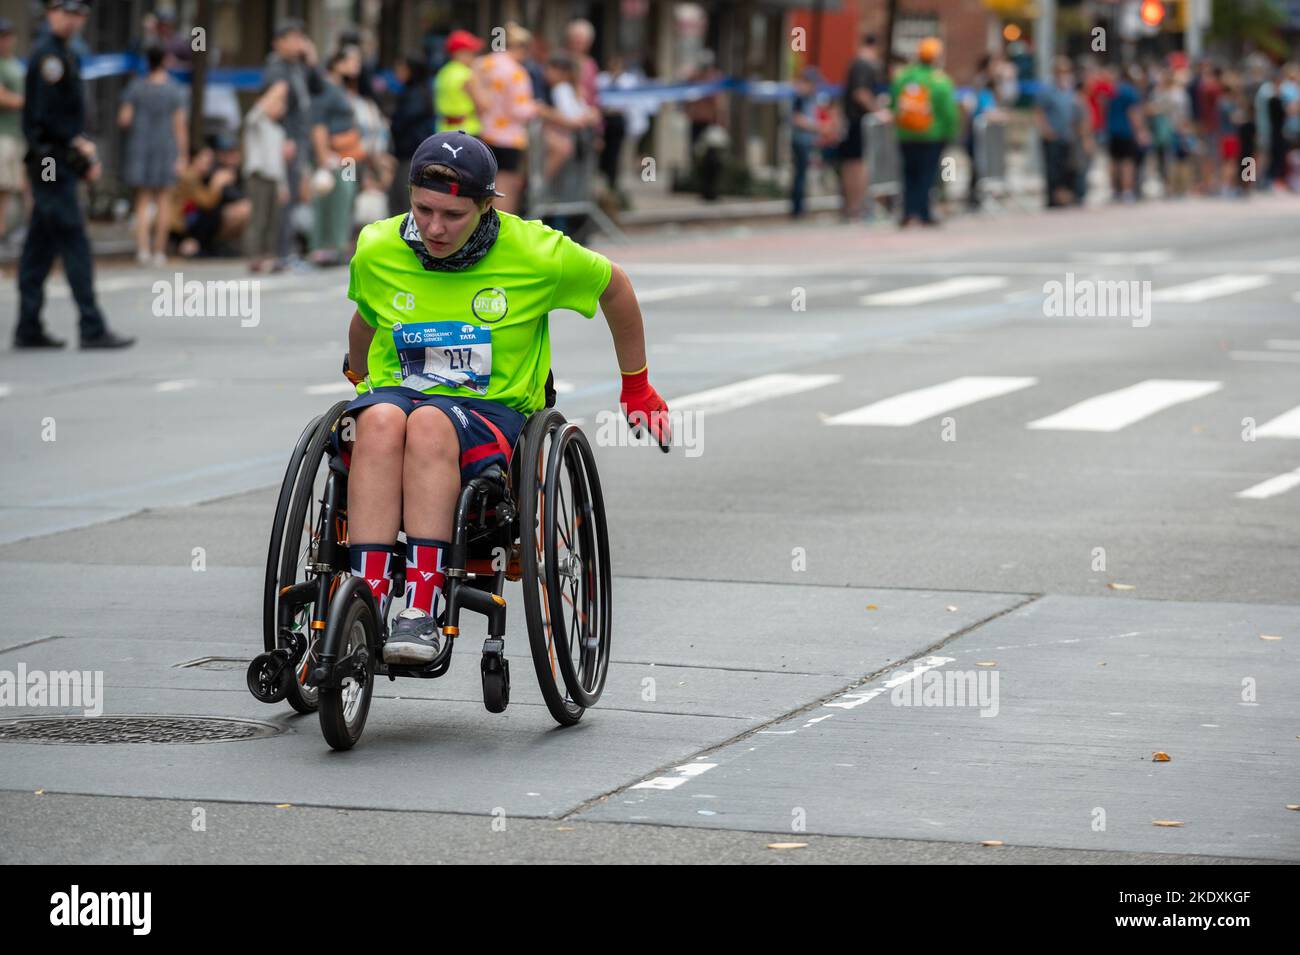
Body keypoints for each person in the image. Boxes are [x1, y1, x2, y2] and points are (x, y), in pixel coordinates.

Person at [331, 131, 670, 662]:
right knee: (376, 421)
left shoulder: (536, 253)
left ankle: (420, 607)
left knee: (429, 425)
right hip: (399, 395)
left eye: (453, 215)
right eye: (423, 210)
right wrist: (358, 379)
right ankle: (366, 599)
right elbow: (367, 318)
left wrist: (637, 385)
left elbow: (615, 288)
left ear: (487, 204)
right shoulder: (378, 247)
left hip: (487, 413)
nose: (435, 227)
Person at [15, 0, 133, 350]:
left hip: (55, 157)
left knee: (40, 244)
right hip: (51, 161)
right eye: (65, 12)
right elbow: (47, 123)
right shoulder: (49, 56)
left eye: (78, 14)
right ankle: (91, 325)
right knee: (74, 240)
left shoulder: (65, 52)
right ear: (51, 13)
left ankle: (28, 324)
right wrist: (76, 152)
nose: (72, 20)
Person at [118, 44, 187, 265]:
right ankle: (159, 251)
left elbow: (124, 119)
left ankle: (142, 249)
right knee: (164, 200)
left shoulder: (136, 87)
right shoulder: (174, 89)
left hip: (141, 146)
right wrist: (182, 154)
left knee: (142, 200)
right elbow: (180, 125)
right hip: (166, 147)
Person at [263, 18, 321, 263]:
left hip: (301, 138)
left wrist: (313, 60)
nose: (298, 43)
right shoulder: (276, 67)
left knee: (298, 194)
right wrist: (284, 139)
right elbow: (276, 109)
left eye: (300, 38)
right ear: (278, 43)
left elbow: (318, 88)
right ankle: (281, 252)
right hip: (287, 141)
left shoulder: (298, 66)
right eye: (292, 38)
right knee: (285, 196)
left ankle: (290, 250)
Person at [889, 37, 957, 227]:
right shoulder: (940, 81)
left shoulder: (903, 76)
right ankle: (923, 212)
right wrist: (951, 132)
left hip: (905, 134)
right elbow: (948, 111)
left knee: (908, 173)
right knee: (926, 175)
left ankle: (908, 212)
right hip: (931, 134)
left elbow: (894, 103)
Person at [308, 46, 363, 266]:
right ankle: (325, 247)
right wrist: (323, 157)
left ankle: (338, 245)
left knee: (345, 197)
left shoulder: (342, 89)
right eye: (352, 60)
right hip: (333, 154)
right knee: (331, 197)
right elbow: (318, 124)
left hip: (348, 154)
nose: (356, 65)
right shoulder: (327, 88)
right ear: (338, 64)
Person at [475, 22, 537, 215]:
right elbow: (518, 109)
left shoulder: (483, 63)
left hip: (483, 130)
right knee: (505, 188)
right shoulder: (517, 72)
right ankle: (500, 229)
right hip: (509, 136)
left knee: (486, 186)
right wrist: (536, 108)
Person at [242, 82, 290, 272]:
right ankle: (254, 256)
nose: (280, 107)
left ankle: (268, 256)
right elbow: (256, 112)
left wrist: (282, 185)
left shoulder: (279, 131)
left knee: (272, 220)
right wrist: (275, 92)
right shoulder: (256, 123)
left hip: (274, 178)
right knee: (258, 218)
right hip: (258, 176)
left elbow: (279, 163)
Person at [838, 33, 881, 220]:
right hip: (859, 122)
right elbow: (861, 92)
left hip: (852, 120)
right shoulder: (863, 65)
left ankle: (851, 207)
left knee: (851, 163)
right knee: (859, 164)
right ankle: (856, 207)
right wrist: (878, 111)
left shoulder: (855, 64)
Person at [1036, 57, 1088, 208]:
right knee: (1053, 171)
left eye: (1066, 71)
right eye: (1061, 71)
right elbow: (1039, 112)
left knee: (1067, 169)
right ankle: (1053, 200)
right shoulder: (1047, 91)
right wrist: (1046, 130)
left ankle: (1064, 198)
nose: (1064, 74)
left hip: (1068, 137)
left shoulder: (1070, 92)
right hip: (1053, 137)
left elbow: (1077, 114)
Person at [387, 56, 433, 216]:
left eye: (401, 69)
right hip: (405, 155)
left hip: (412, 154)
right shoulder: (410, 91)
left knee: (405, 198)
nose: (397, 73)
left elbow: (403, 121)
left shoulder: (417, 94)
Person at [0, 17, 26, 248]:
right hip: (2, 136)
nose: (6, 41)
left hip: (19, 135)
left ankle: (15, 231)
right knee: (2, 189)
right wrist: (28, 101)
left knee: (20, 186)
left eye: (8, 35)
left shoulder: (16, 64)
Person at [434, 30, 484, 134]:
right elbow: (482, 105)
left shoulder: (443, 72)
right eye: (472, 52)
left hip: (443, 130)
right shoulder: (468, 74)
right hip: (467, 131)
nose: (474, 56)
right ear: (461, 52)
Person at [789, 66, 823, 218]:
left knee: (802, 175)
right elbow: (796, 119)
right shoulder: (800, 97)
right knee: (799, 175)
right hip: (800, 140)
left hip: (807, 139)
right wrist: (815, 127)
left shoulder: (809, 98)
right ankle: (797, 209)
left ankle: (800, 207)